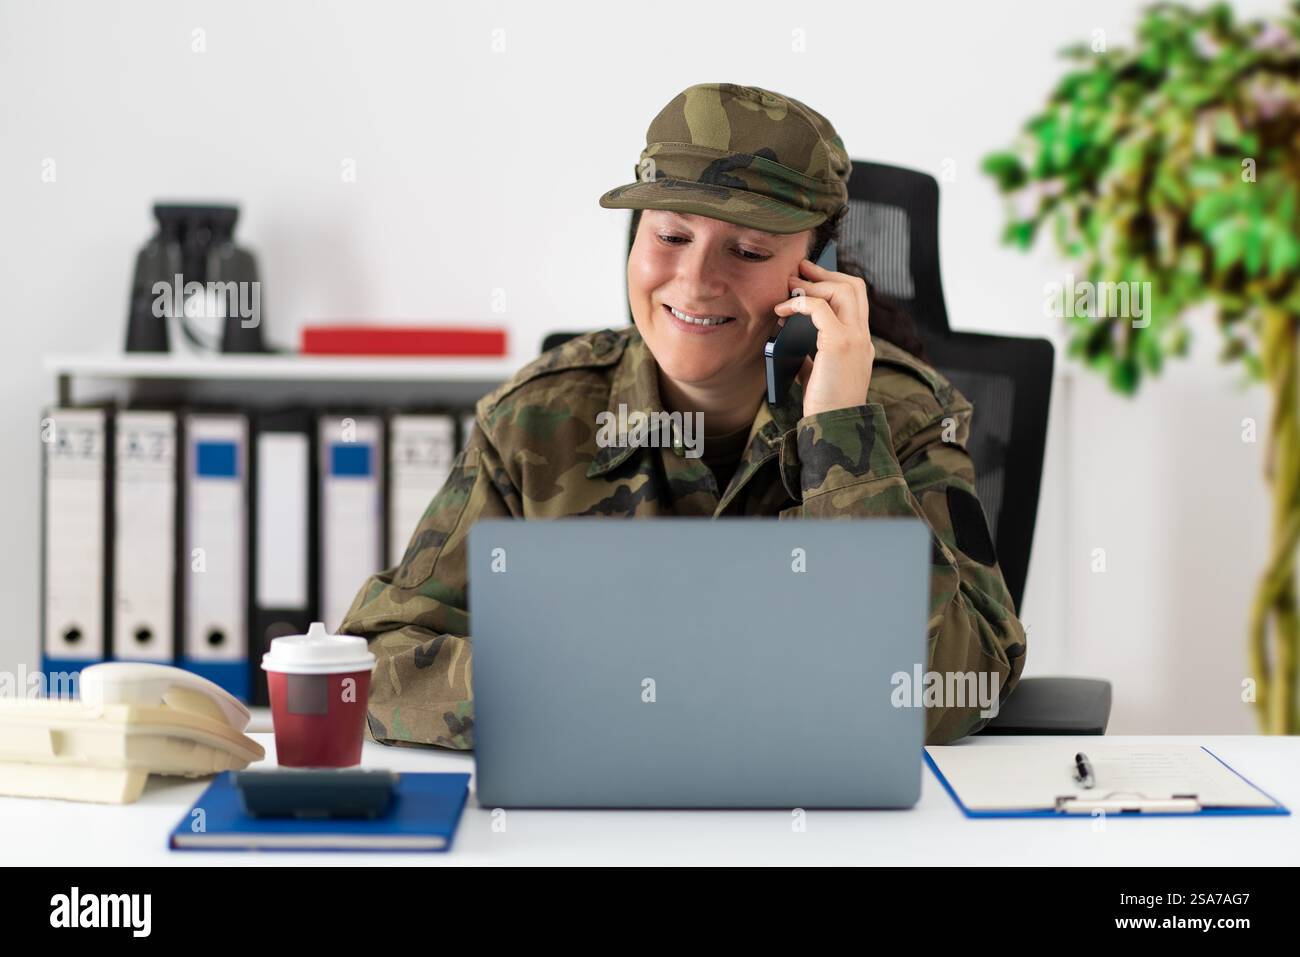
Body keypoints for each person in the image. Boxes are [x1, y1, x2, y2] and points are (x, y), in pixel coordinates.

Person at [338, 82, 1027, 749]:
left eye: (749, 250)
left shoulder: (904, 415)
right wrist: (568, 687)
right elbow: (374, 665)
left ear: (816, 271)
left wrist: (841, 435)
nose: (695, 280)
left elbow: (953, 689)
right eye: (669, 235)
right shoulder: (532, 420)